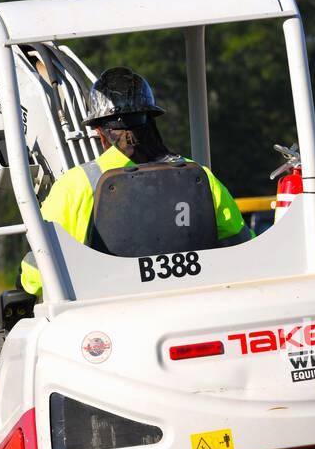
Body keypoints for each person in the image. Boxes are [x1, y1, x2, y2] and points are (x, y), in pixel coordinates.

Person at [19, 66, 245, 295]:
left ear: (99, 132)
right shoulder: (200, 176)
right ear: (151, 121)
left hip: (106, 317)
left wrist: (23, 285)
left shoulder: (74, 186)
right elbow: (241, 246)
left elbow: (36, 274)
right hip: (194, 307)